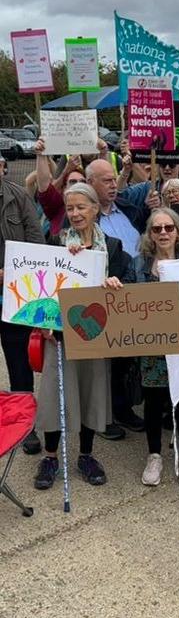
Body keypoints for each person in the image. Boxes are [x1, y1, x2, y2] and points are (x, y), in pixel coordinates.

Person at [32, 183, 134, 490]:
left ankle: (86, 455)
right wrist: (45, 323)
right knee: (54, 396)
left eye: (81, 207)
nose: (75, 214)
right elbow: (43, 288)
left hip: (95, 336)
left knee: (90, 394)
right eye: (70, 208)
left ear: (94, 209)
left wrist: (115, 283)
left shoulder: (113, 248)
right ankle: (50, 456)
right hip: (60, 335)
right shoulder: (56, 243)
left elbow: (126, 292)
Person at [134, 208, 179, 487]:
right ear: (150, 234)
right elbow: (125, 297)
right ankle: (155, 455)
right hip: (151, 344)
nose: (163, 233)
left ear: (178, 231)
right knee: (153, 400)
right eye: (157, 229)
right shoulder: (138, 265)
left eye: (169, 228)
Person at [84, 158, 149, 437]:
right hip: (107, 294)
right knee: (104, 362)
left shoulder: (128, 209)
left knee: (125, 360)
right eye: (107, 180)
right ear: (90, 184)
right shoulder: (84, 219)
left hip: (137, 290)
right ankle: (102, 416)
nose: (114, 185)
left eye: (114, 179)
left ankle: (122, 410)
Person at [0, 143, 48, 454]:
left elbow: (36, 241)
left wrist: (17, 275)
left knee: (19, 362)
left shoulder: (18, 197)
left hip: (13, 296)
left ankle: (24, 424)